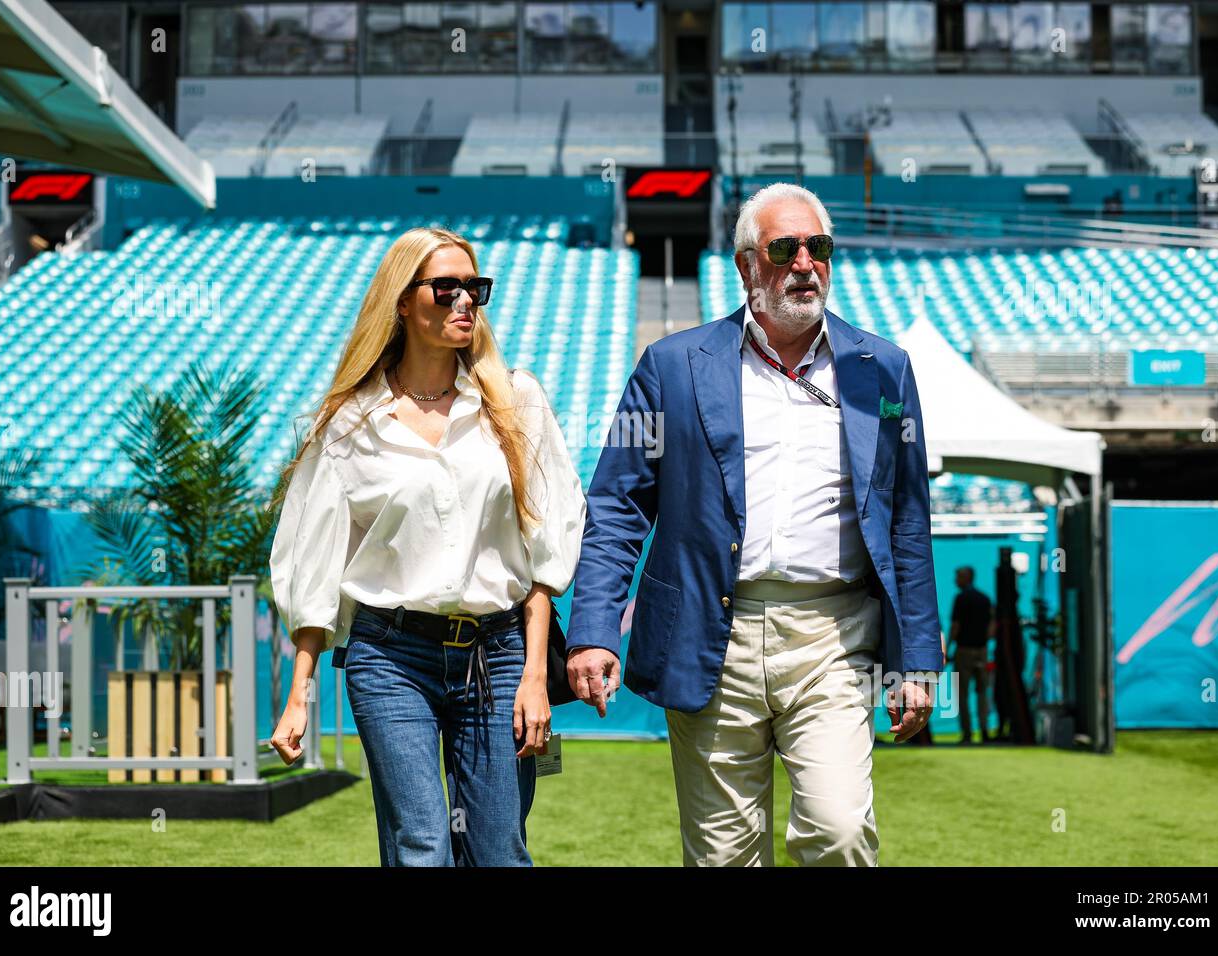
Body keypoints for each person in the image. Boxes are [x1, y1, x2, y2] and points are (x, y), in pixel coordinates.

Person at [567, 182, 943, 866]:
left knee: (839, 832)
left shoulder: (884, 370)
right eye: (785, 248)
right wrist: (593, 631)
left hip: (835, 637)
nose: (805, 262)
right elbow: (618, 506)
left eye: (818, 247)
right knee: (724, 858)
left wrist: (915, 659)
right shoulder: (672, 367)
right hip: (713, 637)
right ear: (746, 267)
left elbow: (907, 521)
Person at [267, 227, 586, 866]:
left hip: (499, 656)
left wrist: (534, 676)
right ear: (404, 302)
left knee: (498, 852)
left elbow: (546, 548)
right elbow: (317, 557)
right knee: (422, 847)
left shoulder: (515, 401)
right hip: (390, 657)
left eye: (476, 288)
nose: (465, 301)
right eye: (447, 288)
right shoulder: (350, 421)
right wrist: (298, 691)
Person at [948, 565, 994, 744]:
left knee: (963, 694)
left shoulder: (960, 599)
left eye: (958, 576)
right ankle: (984, 730)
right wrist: (984, 642)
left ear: (967, 578)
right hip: (981, 651)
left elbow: (955, 626)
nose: (955, 580)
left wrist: (950, 648)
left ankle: (967, 733)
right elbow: (992, 625)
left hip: (964, 651)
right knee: (983, 693)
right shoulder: (985, 599)